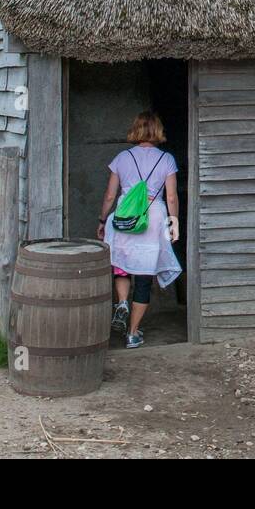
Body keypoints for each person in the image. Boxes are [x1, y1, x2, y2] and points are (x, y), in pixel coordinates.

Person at [97, 111, 182, 349]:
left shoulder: (122, 158)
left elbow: (110, 195)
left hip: (125, 216)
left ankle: (122, 302)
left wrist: (102, 220)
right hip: (152, 217)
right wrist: (174, 222)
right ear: (158, 130)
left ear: (136, 129)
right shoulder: (166, 159)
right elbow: (171, 196)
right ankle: (133, 334)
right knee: (144, 275)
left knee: (122, 265)